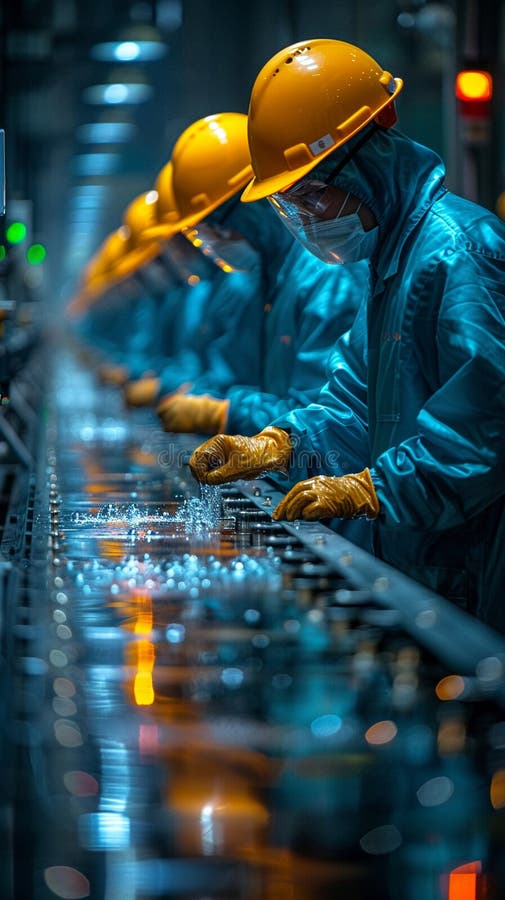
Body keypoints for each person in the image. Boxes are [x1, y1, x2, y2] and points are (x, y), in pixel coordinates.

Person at [189, 38, 505, 632]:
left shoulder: (457, 252)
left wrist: (372, 489)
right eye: (292, 204)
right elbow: (356, 401)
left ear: (365, 162)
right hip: (419, 566)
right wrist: (281, 444)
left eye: (311, 195)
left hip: (469, 575)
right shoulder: (389, 265)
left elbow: (483, 429)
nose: (306, 218)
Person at [155, 114, 368, 439]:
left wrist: (227, 412)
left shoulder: (328, 279)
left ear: (251, 206)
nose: (212, 244)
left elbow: (326, 415)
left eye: (216, 226)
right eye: (201, 234)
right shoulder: (266, 278)